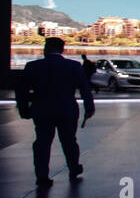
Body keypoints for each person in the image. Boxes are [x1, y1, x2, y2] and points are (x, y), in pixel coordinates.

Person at [15, 36, 94, 189]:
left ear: (46, 49)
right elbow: (85, 89)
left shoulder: (32, 66)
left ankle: (42, 176)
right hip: (67, 110)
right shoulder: (74, 66)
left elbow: (21, 90)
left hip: (42, 111)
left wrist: (24, 109)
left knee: (42, 143)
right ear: (62, 50)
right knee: (69, 140)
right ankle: (74, 168)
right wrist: (89, 108)